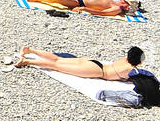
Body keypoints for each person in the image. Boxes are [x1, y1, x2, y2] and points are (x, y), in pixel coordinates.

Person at [8, 44, 146, 80]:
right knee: (56, 65)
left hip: (94, 63)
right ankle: (27, 61)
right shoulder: (131, 70)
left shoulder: (124, 60)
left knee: (58, 60)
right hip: (98, 71)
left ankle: (30, 50)